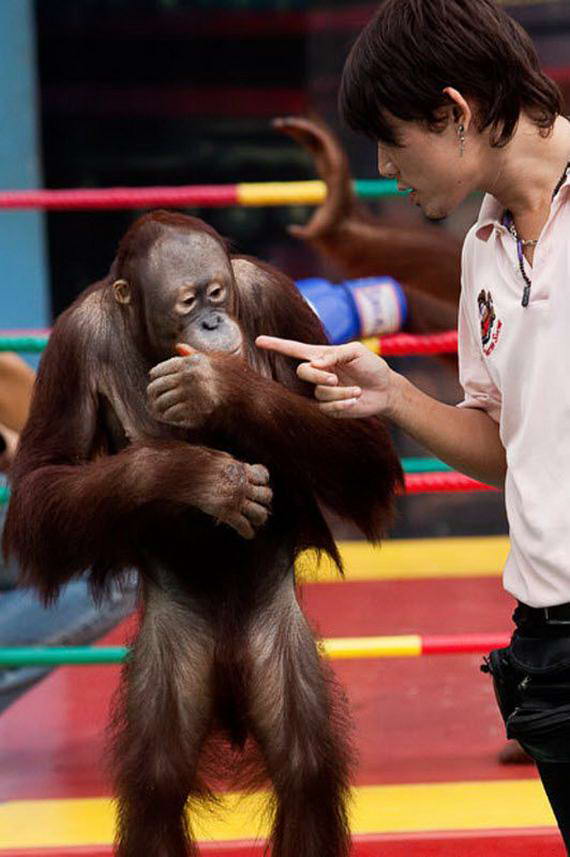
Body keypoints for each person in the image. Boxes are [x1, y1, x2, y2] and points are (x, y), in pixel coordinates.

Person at [256, 0, 570, 849]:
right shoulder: (484, 250)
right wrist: (391, 393)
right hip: (549, 637)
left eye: (396, 138)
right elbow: (514, 454)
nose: (388, 165)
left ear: (455, 112)